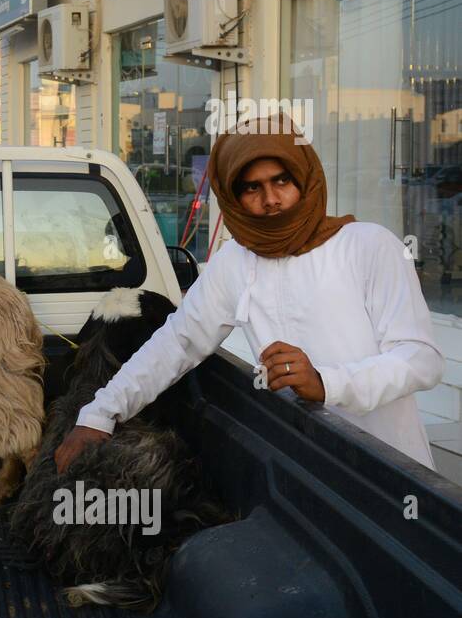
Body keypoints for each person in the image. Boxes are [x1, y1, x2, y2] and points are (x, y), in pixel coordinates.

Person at [55, 123, 445, 473]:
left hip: (392, 471)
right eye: (252, 187)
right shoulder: (235, 263)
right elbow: (177, 343)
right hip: (310, 472)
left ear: (305, 179)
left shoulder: (369, 246)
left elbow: (420, 359)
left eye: (281, 181)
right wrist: (99, 414)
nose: (271, 199)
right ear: (233, 195)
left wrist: (329, 383)